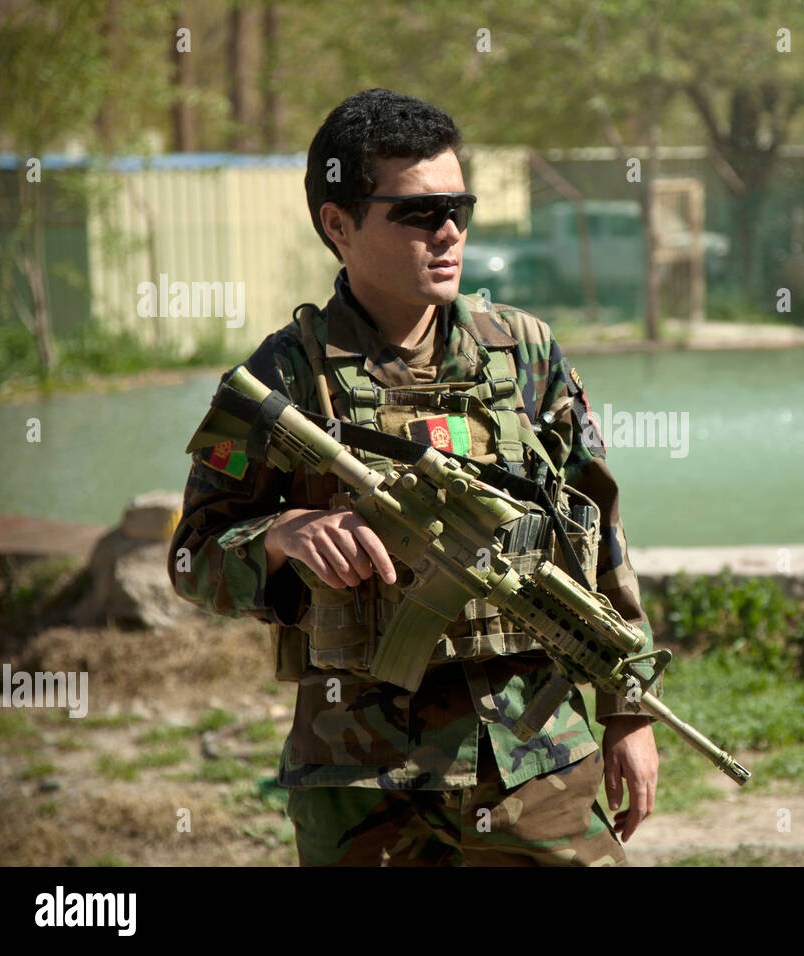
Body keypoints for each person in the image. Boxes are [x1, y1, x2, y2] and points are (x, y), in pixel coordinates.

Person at [168, 88, 658, 866]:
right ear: (339, 223)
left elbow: (598, 531)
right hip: (363, 776)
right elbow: (193, 559)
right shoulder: (284, 378)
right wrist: (283, 536)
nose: (450, 232)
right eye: (419, 213)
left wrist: (628, 708)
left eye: (459, 208)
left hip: (535, 752)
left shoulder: (523, 352)